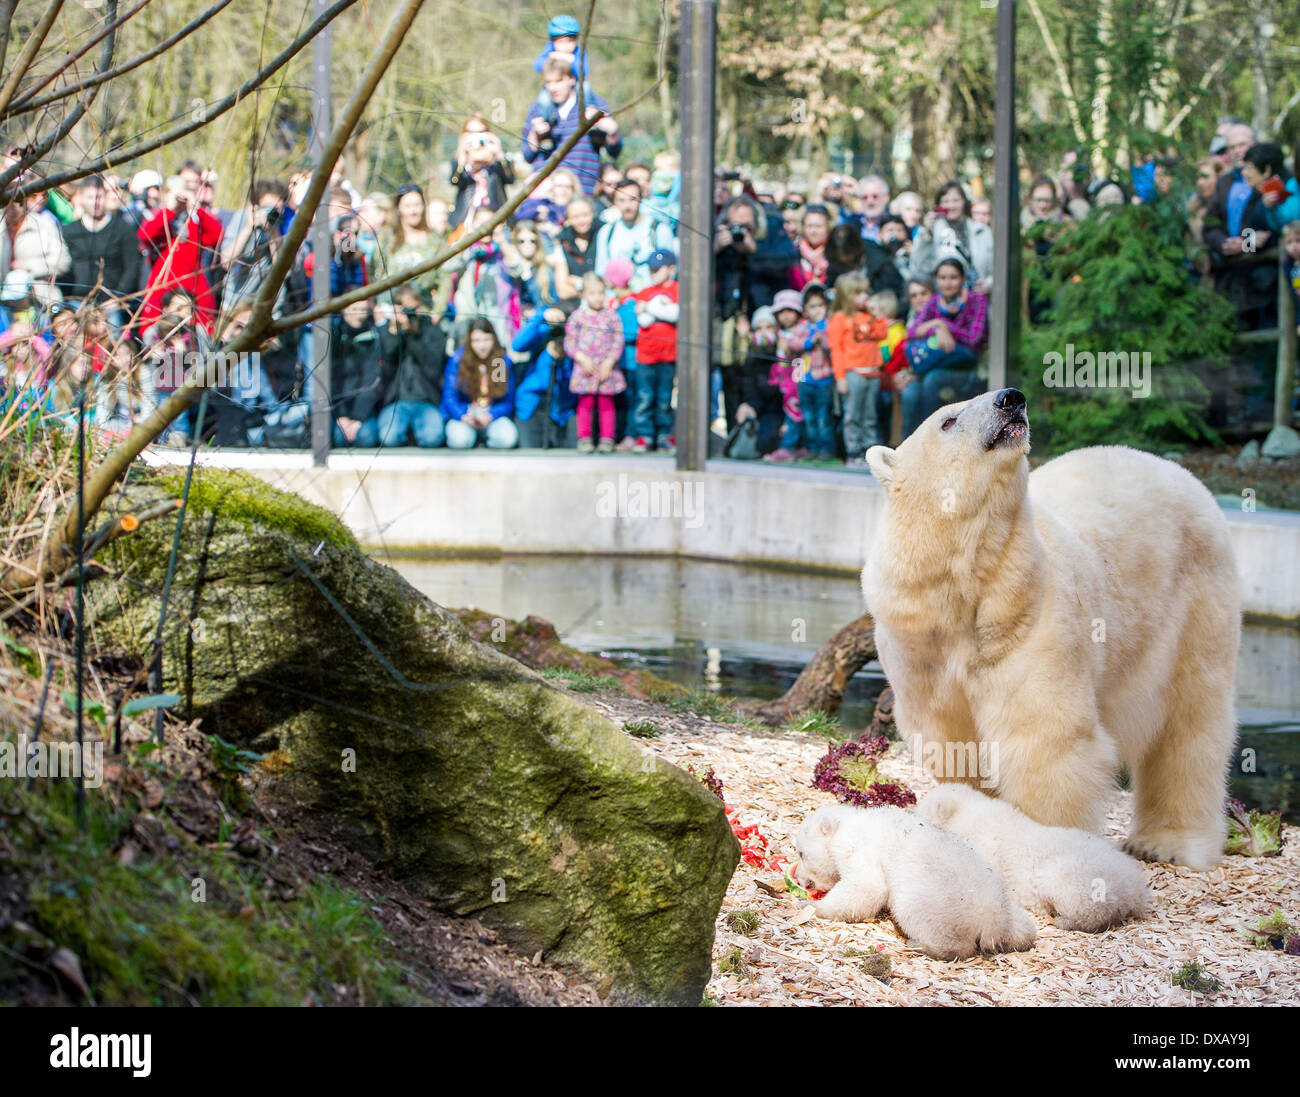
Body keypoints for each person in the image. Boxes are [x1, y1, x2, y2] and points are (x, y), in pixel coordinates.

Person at [901, 257, 988, 439]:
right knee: (910, 394)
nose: (947, 283)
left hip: (966, 369)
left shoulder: (976, 300)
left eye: (953, 277)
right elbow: (912, 331)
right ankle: (907, 449)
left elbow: (974, 339)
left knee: (932, 381)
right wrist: (937, 325)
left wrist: (947, 327)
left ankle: (931, 442)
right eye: (942, 278)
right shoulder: (934, 302)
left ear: (963, 279)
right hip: (933, 365)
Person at [1203, 122, 1278, 330]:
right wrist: (1224, 243)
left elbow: (1277, 224)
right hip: (1229, 280)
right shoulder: (1225, 182)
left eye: (1242, 145)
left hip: (1264, 279)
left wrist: (1247, 244)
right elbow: (1210, 224)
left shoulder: (1271, 178)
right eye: (1232, 147)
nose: (1237, 151)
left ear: (1254, 144)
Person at [522, 55, 622, 196]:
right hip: (547, 194)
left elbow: (614, 152)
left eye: (558, 81)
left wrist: (612, 131)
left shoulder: (595, 104)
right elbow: (527, 155)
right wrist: (534, 135)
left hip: (582, 191)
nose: (552, 87)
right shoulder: (538, 109)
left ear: (572, 79)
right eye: (548, 82)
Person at [137, 174, 223, 331]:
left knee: (200, 331)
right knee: (156, 330)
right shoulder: (161, 218)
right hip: (163, 282)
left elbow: (217, 235)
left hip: (193, 284)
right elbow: (145, 235)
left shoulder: (194, 220)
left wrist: (195, 208)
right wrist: (170, 209)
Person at [59, 176, 140, 325]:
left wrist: (117, 298)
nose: (95, 202)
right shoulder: (69, 231)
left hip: (110, 306)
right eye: (90, 197)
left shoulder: (123, 229)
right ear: (81, 198)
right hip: (76, 303)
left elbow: (132, 268)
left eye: (99, 197)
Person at [376, 284, 447, 448]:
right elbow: (385, 371)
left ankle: (415, 434)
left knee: (432, 438)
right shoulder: (388, 330)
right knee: (389, 438)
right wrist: (395, 334)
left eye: (413, 308)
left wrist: (414, 334)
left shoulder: (432, 330)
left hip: (426, 400)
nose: (410, 314)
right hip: (396, 401)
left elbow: (433, 370)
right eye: (405, 309)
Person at [563, 271, 625, 453]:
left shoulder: (612, 317)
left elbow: (618, 341)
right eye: (592, 293)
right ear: (583, 294)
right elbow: (570, 341)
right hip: (585, 369)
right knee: (585, 404)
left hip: (607, 369)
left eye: (600, 292)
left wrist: (610, 361)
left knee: (606, 404)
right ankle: (584, 438)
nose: (597, 297)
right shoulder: (577, 317)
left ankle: (607, 439)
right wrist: (581, 358)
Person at [828, 272, 887, 464]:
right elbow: (836, 350)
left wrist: (877, 315)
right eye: (858, 293)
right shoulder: (839, 319)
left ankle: (868, 451)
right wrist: (840, 377)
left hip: (873, 372)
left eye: (865, 292)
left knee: (870, 415)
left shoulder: (869, 317)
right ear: (847, 295)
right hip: (853, 373)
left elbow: (882, 334)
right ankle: (853, 452)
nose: (864, 297)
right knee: (853, 415)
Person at [628, 248, 679, 453]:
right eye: (651, 269)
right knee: (645, 397)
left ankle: (664, 435)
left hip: (668, 355)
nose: (653, 273)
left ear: (671, 269)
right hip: (645, 356)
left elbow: (675, 313)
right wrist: (650, 307)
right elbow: (636, 307)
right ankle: (645, 435)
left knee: (664, 398)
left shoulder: (676, 290)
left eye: (658, 269)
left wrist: (650, 308)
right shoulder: (645, 291)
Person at [442, 317, 518, 449]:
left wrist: (491, 415)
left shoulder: (499, 362)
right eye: (476, 341)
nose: (482, 346)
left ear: (493, 339)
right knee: (460, 441)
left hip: (491, 415)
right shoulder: (459, 360)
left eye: (486, 340)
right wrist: (463, 415)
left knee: (507, 438)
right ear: (469, 341)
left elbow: (507, 400)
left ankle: (485, 442)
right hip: (465, 413)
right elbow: (449, 397)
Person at [910, 180, 993, 293]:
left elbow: (996, 268)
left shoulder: (982, 231)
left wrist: (989, 284)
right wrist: (927, 234)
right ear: (939, 205)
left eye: (956, 200)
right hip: (943, 302)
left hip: (977, 299)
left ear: (964, 202)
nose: (951, 206)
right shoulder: (932, 231)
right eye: (945, 201)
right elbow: (918, 267)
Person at [593, 178, 675, 290]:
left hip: (652, 300)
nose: (627, 206)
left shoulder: (659, 230)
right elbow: (601, 272)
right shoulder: (605, 232)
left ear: (641, 199)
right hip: (619, 301)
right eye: (621, 200)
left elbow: (671, 271)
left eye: (632, 199)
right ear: (614, 202)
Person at [381, 183, 448, 315]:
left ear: (423, 206)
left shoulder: (435, 240)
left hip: (425, 313)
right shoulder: (387, 238)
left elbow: (445, 278)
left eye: (417, 205)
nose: (413, 211)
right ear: (398, 209)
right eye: (407, 206)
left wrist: (438, 312)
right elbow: (376, 275)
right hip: (392, 313)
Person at [788, 282, 835, 460]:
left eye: (820, 305)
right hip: (804, 380)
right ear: (805, 310)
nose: (817, 310)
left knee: (824, 418)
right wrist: (808, 342)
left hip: (824, 380)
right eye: (812, 306)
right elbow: (793, 343)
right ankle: (812, 448)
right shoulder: (802, 327)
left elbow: (831, 344)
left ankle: (826, 449)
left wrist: (821, 337)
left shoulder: (829, 325)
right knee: (809, 418)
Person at [762, 288, 808, 462]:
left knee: (800, 414)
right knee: (791, 415)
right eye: (782, 312)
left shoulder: (803, 330)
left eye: (790, 311)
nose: (786, 316)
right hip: (786, 383)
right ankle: (792, 447)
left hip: (802, 380)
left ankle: (794, 447)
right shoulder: (777, 334)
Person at [448, 114, 515, 233]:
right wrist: (462, 159)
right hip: (467, 219)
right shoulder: (458, 158)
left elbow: (510, 179)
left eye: (481, 131)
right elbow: (455, 182)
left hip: (496, 218)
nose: (476, 136)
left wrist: (500, 155)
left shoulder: (497, 160)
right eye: (471, 132)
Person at [331, 298, 383, 447]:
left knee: (366, 438)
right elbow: (332, 380)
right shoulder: (334, 338)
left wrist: (358, 418)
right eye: (354, 310)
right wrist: (340, 416)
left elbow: (372, 381)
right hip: (338, 410)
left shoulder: (374, 338)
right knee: (337, 438)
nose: (359, 315)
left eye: (363, 310)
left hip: (363, 410)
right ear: (343, 310)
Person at [733, 306, 785, 456]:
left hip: (785, 411)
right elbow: (749, 386)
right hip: (764, 410)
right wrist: (749, 406)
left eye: (769, 327)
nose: (764, 332)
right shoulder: (752, 356)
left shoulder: (788, 353)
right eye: (760, 328)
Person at [1240, 141, 1300, 235]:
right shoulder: (1257, 194)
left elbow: (1289, 228)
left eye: (1248, 167)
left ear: (1267, 170)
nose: (1243, 172)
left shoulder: (1289, 189)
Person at [556, 195, 598, 297]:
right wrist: (589, 295)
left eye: (585, 215)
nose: (581, 221)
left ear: (592, 214)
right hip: (576, 301)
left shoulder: (603, 233)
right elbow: (562, 290)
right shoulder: (563, 240)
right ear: (568, 218)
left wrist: (580, 283)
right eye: (575, 217)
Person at [791, 204, 830, 289]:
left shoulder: (835, 253)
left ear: (827, 227)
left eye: (818, 226)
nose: (813, 231)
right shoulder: (793, 253)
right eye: (809, 226)